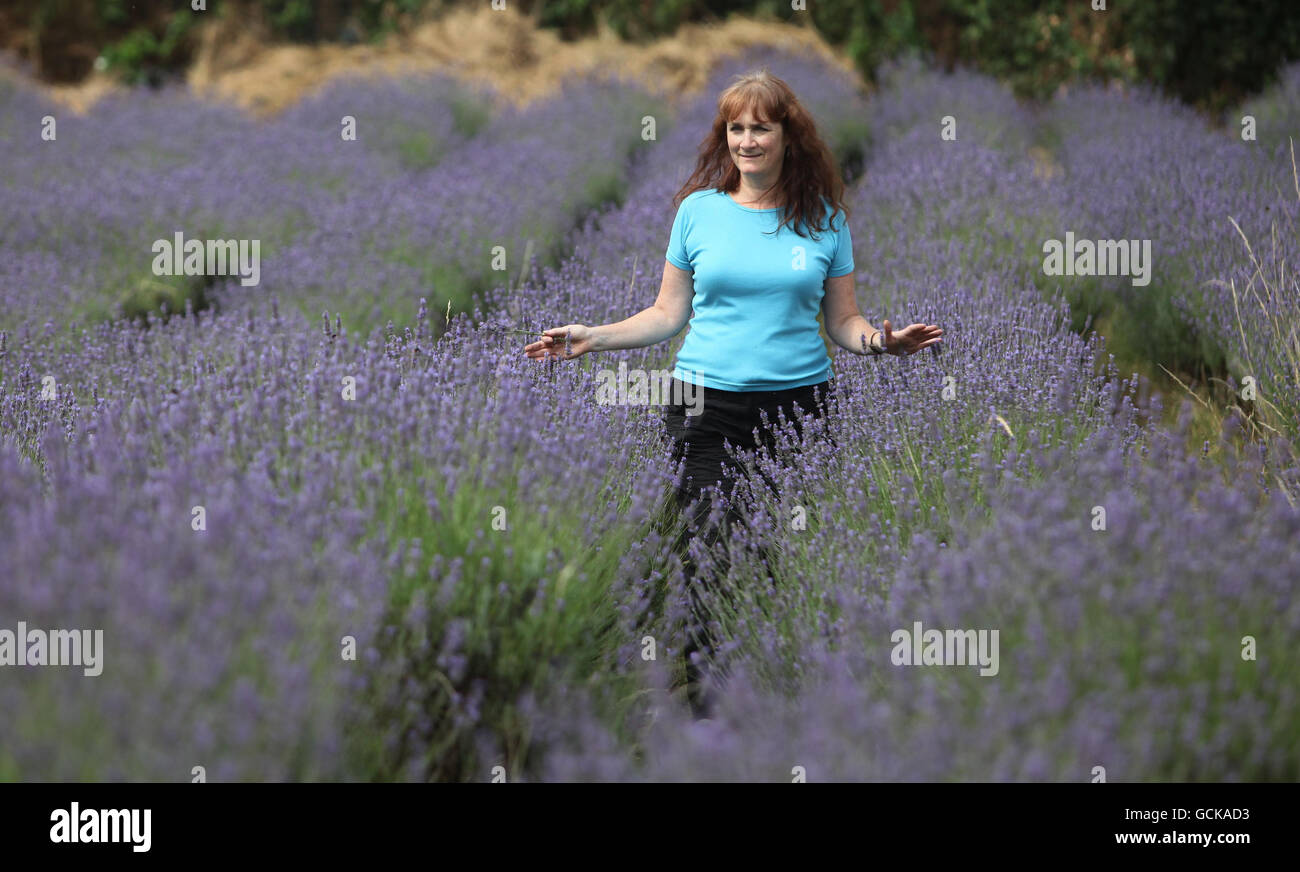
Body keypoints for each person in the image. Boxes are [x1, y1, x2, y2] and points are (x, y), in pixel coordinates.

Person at [524, 69, 942, 717]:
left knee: (779, 550)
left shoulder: (825, 222)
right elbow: (666, 315)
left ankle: (780, 697)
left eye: (760, 127)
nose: (747, 140)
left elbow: (842, 323)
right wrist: (591, 337)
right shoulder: (699, 212)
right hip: (704, 407)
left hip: (798, 413)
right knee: (708, 547)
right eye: (736, 128)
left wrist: (884, 344)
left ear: (787, 136)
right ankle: (703, 710)